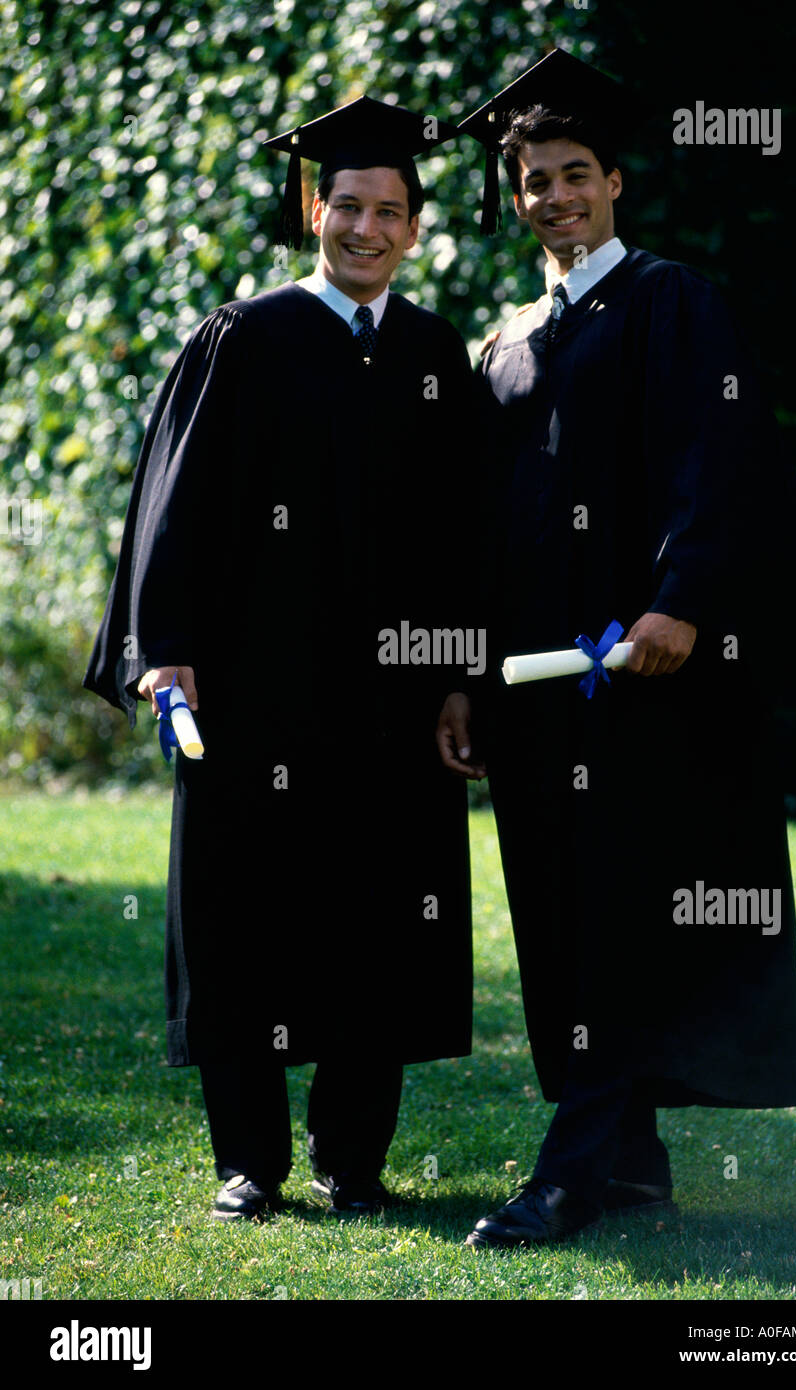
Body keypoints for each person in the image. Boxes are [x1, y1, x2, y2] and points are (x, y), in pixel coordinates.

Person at [84, 96, 484, 1222]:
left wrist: (460, 675)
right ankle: (248, 1160)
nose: (365, 228)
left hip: (393, 696)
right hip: (256, 690)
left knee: (382, 910)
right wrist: (165, 650)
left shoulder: (431, 353)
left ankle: (353, 1158)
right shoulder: (245, 336)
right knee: (243, 908)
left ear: (416, 226)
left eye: (389, 211)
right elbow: (173, 505)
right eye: (347, 205)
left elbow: (465, 535)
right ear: (315, 208)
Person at [440, 49, 796, 1248]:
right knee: (553, 914)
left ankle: (567, 1167)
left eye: (575, 175)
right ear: (516, 197)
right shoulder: (501, 342)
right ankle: (635, 1163)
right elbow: (475, 527)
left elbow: (721, 459)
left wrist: (681, 598)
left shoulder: (670, 301)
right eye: (535, 181)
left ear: (615, 183)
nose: (555, 196)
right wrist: (460, 673)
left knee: (621, 915)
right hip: (534, 688)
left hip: (643, 681)